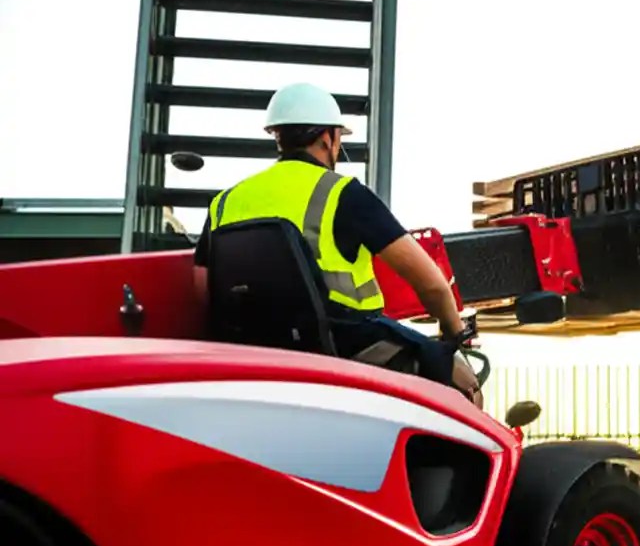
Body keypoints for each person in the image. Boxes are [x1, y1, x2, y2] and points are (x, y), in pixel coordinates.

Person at [189, 81, 484, 407]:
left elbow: (203, 290)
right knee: (465, 387)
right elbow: (433, 286)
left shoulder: (225, 201)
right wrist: (452, 333)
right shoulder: (342, 193)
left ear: (278, 137)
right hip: (342, 347)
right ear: (328, 137)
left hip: (252, 352)